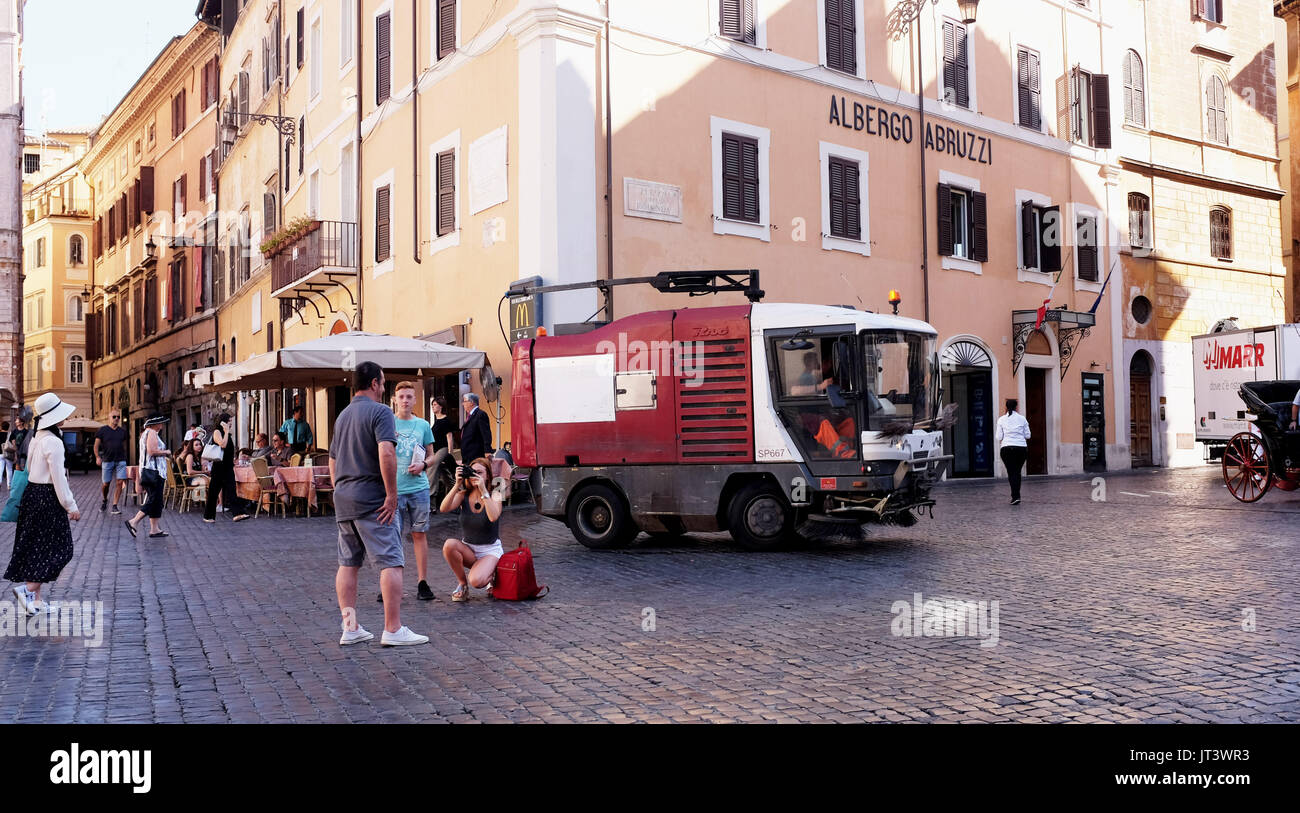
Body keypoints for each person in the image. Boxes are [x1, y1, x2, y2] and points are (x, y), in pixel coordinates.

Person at [331, 361, 427, 646]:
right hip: (372, 498)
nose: (384, 388)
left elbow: (333, 460)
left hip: (344, 499)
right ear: (374, 383)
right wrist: (391, 495)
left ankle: (350, 628)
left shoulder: (343, 416)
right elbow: (386, 452)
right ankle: (393, 629)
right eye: (383, 383)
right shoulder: (381, 411)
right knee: (391, 561)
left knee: (348, 563)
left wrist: (340, 489)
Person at [6, 393, 82, 616]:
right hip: (47, 497)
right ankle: (28, 590)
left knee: (36, 548)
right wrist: (71, 506)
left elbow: (30, 467)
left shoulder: (37, 437)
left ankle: (36, 602)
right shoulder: (54, 442)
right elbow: (59, 478)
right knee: (63, 549)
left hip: (32, 494)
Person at [391, 381, 437, 601]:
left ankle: (422, 582)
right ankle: (392, 583)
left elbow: (432, 454)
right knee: (394, 537)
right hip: (394, 489)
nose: (405, 401)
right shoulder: (388, 423)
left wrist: (424, 465)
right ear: (394, 399)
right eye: (401, 397)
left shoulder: (423, 425)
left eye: (409, 396)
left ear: (415, 399)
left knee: (419, 534)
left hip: (418, 488)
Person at [440, 457, 503, 602]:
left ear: (488, 475)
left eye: (479, 473)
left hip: (490, 551)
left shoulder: (496, 494)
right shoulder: (463, 495)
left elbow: (493, 517)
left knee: (476, 581)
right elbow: (443, 508)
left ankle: (491, 573)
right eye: (473, 472)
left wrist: (483, 490)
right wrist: (457, 484)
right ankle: (462, 584)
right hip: (469, 550)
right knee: (449, 545)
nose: (475, 476)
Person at [126, 415, 171, 538]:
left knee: (156, 500)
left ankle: (154, 529)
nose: (162, 425)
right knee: (154, 500)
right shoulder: (151, 433)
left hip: (152, 471)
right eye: (160, 422)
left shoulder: (147, 433)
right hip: (154, 472)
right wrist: (166, 452)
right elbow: (152, 451)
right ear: (154, 424)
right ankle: (134, 521)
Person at [202, 413, 251, 524]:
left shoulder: (227, 434)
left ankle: (237, 514)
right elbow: (222, 445)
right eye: (229, 421)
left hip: (228, 466)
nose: (231, 423)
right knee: (214, 492)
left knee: (232, 490)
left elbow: (228, 451)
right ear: (223, 422)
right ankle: (208, 516)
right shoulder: (217, 432)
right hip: (219, 467)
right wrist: (226, 431)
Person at [996, 398, 1031, 506]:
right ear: (1017, 407)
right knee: (1017, 472)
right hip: (1021, 448)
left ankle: (1015, 496)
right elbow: (1028, 435)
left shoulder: (1001, 419)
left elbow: (999, 437)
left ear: (1006, 407)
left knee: (1011, 472)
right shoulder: (1022, 419)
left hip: (1007, 448)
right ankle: (1016, 496)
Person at [94, 409, 130, 514]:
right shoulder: (102, 430)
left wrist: (124, 456)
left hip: (121, 460)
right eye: (114, 416)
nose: (116, 419)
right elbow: (96, 446)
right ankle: (105, 500)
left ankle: (115, 505)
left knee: (120, 482)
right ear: (109, 418)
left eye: (118, 417)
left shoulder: (123, 432)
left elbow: (124, 446)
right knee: (106, 483)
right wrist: (97, 457)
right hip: (107, 460)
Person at [459, 393, 492, 463]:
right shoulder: (470, 416)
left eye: (465, 401)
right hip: (468, 454)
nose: (463, 404)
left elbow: (486, 434)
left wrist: (487, 450)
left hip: (476, 454)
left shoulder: (480, 414)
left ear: (471, 403)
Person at [0, 420, 10, 489]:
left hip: (0, 454)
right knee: (9, 469)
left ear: (1, 427)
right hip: (8, 453)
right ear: (8, 427)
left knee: (0, 469)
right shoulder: (10, 434)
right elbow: (13, 444)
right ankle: (9, 485)